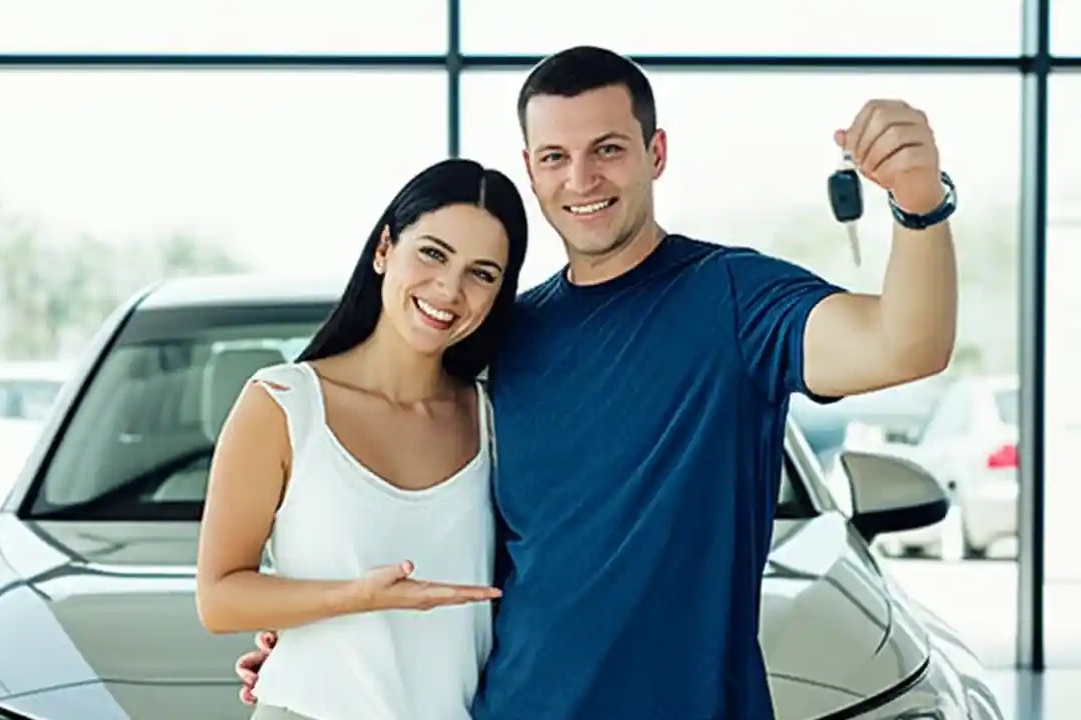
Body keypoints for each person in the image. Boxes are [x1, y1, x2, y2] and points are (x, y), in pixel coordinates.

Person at [235, 45, 958, 719]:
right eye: (556, 156)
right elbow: (432, 525)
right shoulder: (505, 335)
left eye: (607, 150)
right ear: (531, 168)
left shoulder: (733, 298)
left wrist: (919, 205)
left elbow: (905, 346)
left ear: (656, 152)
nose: (580, 180)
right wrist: (315, 640)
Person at [195, 158, 530, 720]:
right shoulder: (284, 404)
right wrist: (355, 600)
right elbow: (219, 598)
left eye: (482, 273)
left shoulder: (493, 418)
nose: (449, 288)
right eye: (432, 253)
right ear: (383, 250)